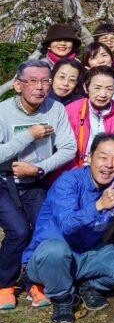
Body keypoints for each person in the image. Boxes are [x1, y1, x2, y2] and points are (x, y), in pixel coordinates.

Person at [23, 134, 114, 323]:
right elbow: (67, 225)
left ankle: (88, 285)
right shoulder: (68, 182)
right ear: (90, 157)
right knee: (56, 251)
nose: (109, 164)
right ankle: (62, 299)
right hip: (49, 258)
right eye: (103, 157)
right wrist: (98, 206)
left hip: (86, 255)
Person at [0, 60, 76, 310]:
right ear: (18, 85)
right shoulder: (3, 111)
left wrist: (39, 168)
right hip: (4, 181)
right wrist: (28, 135)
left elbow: (68, 148)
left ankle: (35, 282)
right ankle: (5, 285)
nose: (41, 87)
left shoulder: (55, 109)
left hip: (37, 179)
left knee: (43, 232)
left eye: (46, 81)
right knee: (19, 231)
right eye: (33, 81)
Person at [60, 66, 114, 180]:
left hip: (109, 174)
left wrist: (107, 177)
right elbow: (64, 150)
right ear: (86, 87)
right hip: (74, 174)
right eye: (97, 88)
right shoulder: (71, 111)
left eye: (109, 89)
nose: (103, 94)